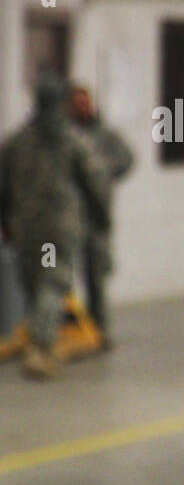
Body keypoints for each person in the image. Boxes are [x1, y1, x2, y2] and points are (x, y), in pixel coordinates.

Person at [0, 76, 111, 379]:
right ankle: (40, 345)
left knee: (35, 282)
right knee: (53, 281)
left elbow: (2, 186)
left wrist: (6, 222)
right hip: (57, 230)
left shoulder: (16, 141)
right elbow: (95, 182)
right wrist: (102, 218)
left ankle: (39, 338)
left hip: (25, 228)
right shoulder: (73, 140)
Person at [68, 83, 133, 342]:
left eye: (86, 101)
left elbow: (126, 158)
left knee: (96, 274)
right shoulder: (63, 136)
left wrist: (102, 173)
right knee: (59, 276)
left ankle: (98, 328)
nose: (82, 106)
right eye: (76, 102)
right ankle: (67, 328)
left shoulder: (105, 135)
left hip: (95, 216)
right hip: (66, 218)